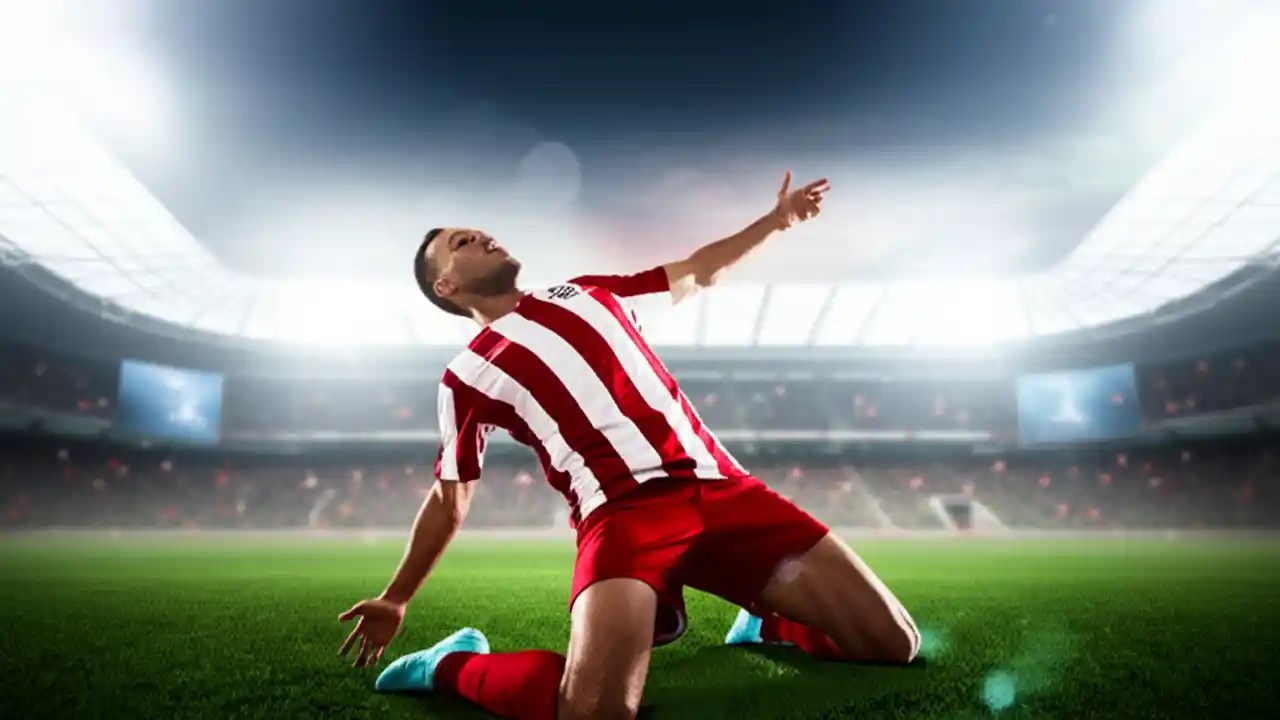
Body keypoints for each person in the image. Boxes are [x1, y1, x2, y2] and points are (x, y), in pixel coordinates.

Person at [338, 172, 920, 720]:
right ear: (446, 286)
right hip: (622, 516)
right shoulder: (465, 376)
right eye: (461, 242)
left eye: (479, 230)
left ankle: (768, 622)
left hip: (722, 487)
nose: (482, 236)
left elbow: (699, 270)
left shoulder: (589, 292)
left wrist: (778, 220)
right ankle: (450, 664)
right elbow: (451, 497)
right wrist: (396, 598)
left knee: (894, 643)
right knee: (594, 712)